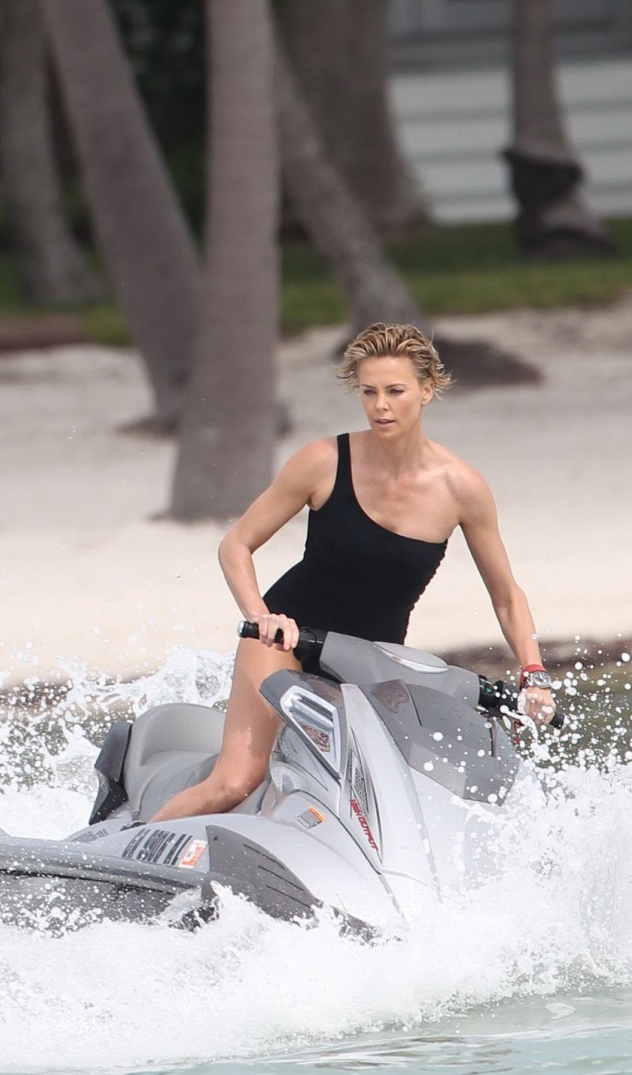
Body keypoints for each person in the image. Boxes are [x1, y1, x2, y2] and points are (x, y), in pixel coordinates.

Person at [149, 322, 555, 824]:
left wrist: (533, 675)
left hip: (372, 660)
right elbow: (236, 544)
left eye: (395, 391)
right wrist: (262, 617)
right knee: (235, 782)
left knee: (390, 795)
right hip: (285, 643)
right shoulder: (322, 462)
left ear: (427, 391)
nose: (380, 405)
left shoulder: (461, 488)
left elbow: (506, 594)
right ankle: (129, 859)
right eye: (369, 392)